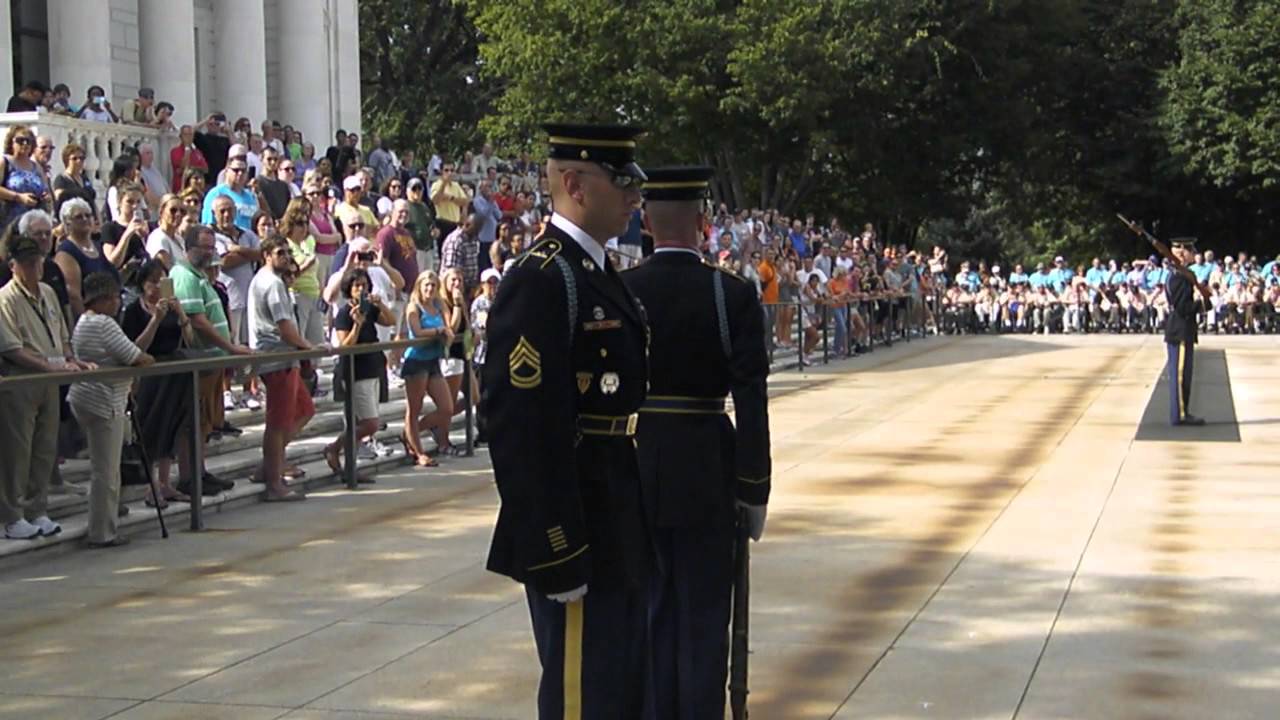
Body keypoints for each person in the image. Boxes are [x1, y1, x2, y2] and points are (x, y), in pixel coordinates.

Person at [483, 124, 652, 719]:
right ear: (576, 185)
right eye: (621, 182)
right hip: (578, 521)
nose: (635, 195)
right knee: (583, 699)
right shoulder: (543, 277)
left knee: (618, 690)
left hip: (615, 507)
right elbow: (520, 425)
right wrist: (555, 545)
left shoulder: (594, 271)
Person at [621, 167, 770, 719]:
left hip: (635, 462)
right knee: (704, 617)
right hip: (707, 465)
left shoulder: (621, 290)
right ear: (704, 223)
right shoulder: (730, 294)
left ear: (645, 222)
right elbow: (751, 399)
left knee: (647, 611)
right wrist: (754, 487)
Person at [0, 234, 94, 539]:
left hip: (50, 380)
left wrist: (70, 359)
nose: (34, 267)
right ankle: (12, 515)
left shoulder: (48, 292)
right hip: (22, 380)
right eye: (27, 263)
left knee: (44, 448)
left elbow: (61, 334)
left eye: (38, 261)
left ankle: (37, 509)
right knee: (18, 450)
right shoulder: (5, 298)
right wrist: (50, 366)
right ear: (13, 265)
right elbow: (13, 348)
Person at [69, 272, 155, 547]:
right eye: (116, 297)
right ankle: (102, 532)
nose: (119, 302)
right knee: (106, 470)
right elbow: (136, 356)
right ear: (104, 299)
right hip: (103, 400)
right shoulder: (103, 323)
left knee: (105, 467)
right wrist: (145, 357)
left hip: (88, 398)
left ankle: (108, 515)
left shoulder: (84, 321)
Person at [248, 234, 315, 501]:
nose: (286, 257)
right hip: (277, 358)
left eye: (288, 252)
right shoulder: (272, 283)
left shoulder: (270, 281)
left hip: (284, 358)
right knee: (277, 423)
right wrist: (308, 347)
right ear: (266, 255)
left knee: (304, 410)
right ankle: (274, 484)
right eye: (280, 252)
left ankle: (268, 467)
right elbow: (284, 327)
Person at [323, 267, 395, 477]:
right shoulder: (344, 313)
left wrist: (380, 304)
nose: (361, 289)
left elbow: (390, 321)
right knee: (370, 424)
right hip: (356, 371)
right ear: (349, 288)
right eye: (357, 286)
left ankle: (350, 469)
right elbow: (345, 345)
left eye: (364, 285)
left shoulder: (370, 309)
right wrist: (357, 325)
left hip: (374, 367)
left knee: (363, 422)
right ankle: (334, 448)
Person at [399, 272, 451, 466]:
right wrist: (438, 331)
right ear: (419, 286)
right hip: (416, 361)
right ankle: (419, 452)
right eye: (426, 285)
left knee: (447, 408)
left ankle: (409, 434)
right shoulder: (414, 307)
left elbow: (450, 325)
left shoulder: (438, 305)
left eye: (433, 285)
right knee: (414, 408)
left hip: (433, 360)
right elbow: (417, 331)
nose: (430, 289)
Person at [53, 198, 118, 321]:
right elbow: (74, 296)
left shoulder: (97, 246)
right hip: (91, 322)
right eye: (78, 217)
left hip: (109, 318)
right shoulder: (66, 252)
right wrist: (87, 324)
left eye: (88, 215)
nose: (85, 219)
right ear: (67, 223)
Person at [1165, 238, 1206, 427]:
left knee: (1184, 373)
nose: (1194, 254)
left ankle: (1182, 412)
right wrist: (1201, 304)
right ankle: (1180, 414)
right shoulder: (1179, 277)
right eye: (1191, 250)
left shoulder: (1181, 274)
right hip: (1180, 329)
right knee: (1180, 374)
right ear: (1182, 252)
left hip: (1183, 328)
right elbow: (1183, 307)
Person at [470, 268, 500, 444]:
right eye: (489, 282)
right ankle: (483, 431)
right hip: (482, 355)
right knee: (483, 396)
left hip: (497, 354)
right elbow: (486, 325)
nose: (493, 286)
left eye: (495, 282)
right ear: (482, 285)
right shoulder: (479, 303)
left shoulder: (500, 301)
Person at [0, 125, 50, 229]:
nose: (25, 144)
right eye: (20, 140)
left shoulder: (37, 167)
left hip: (33, 224)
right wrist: (18, 197)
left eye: (28, 141)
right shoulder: (5, 162)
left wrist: (46, 197)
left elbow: (46, 190)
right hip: (9, 223)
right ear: (11, 142)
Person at [200, 155, 258, 231]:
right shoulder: (216, 193)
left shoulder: (250, 196)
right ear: (227, 171)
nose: (240, 173)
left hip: (247, 237)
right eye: (236, 170)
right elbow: (208, 225)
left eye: (243, 171)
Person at [51, 143, 96, 220]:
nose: (79, 161)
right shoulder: (61, 179)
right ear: (66, 160)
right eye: (74, 158)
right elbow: (58, 198)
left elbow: (92, 202)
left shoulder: (85, 178)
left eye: (81, 158)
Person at [430, 161, 468, 248]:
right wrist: (444, 184)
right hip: (443, 223)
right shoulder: (436, 185)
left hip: (455, 224)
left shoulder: (456, 185)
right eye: (446, 170)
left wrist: (451, 198)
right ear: (441, 172)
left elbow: (464, 201)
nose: (449, 173)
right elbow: (435, 200)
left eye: (452, 170)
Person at [145, 194, 188, 269]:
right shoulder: (158, 238)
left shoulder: (179, 239)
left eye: (182, 211)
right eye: (173, 210)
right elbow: (166, 269)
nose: (178, 214)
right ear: (161, 212)